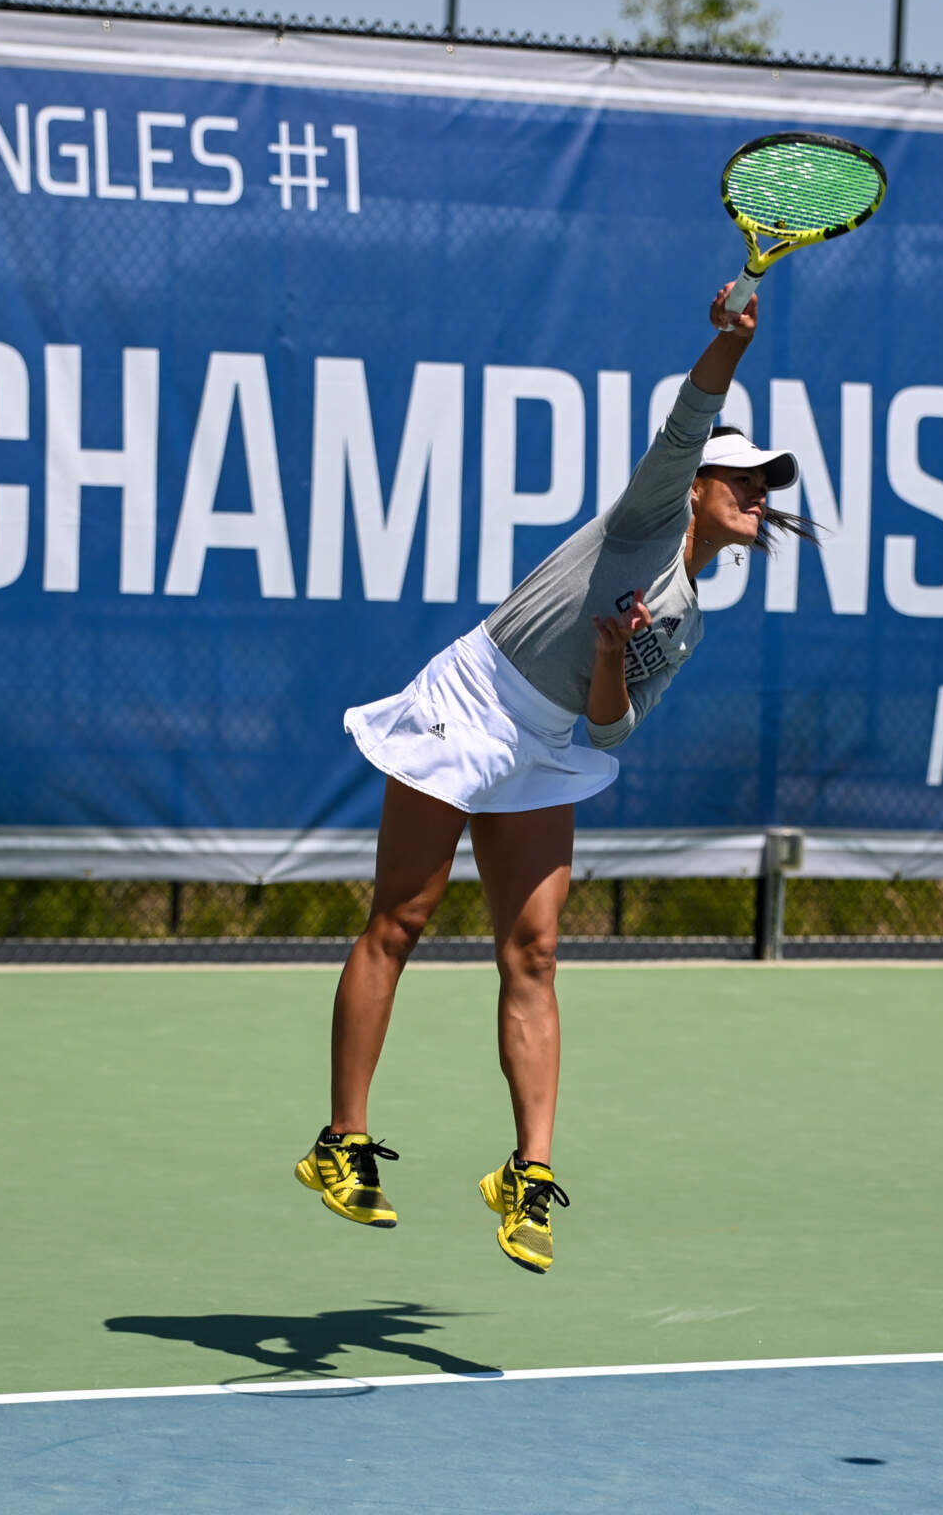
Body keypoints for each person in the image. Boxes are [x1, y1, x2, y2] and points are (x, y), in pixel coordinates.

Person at [295, 281, 809, 1274]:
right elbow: (687, 418)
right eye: (741, 478)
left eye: (764, 485)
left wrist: (616, 654)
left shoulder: (689, 617)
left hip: (543, 740)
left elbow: (609, 728)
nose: (757, 495)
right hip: (469, 698)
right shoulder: (651, 513)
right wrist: (728, 346)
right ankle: (340, 1140)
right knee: (401, 916)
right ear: (697, 485)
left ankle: (526, 1174)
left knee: (532, 951)